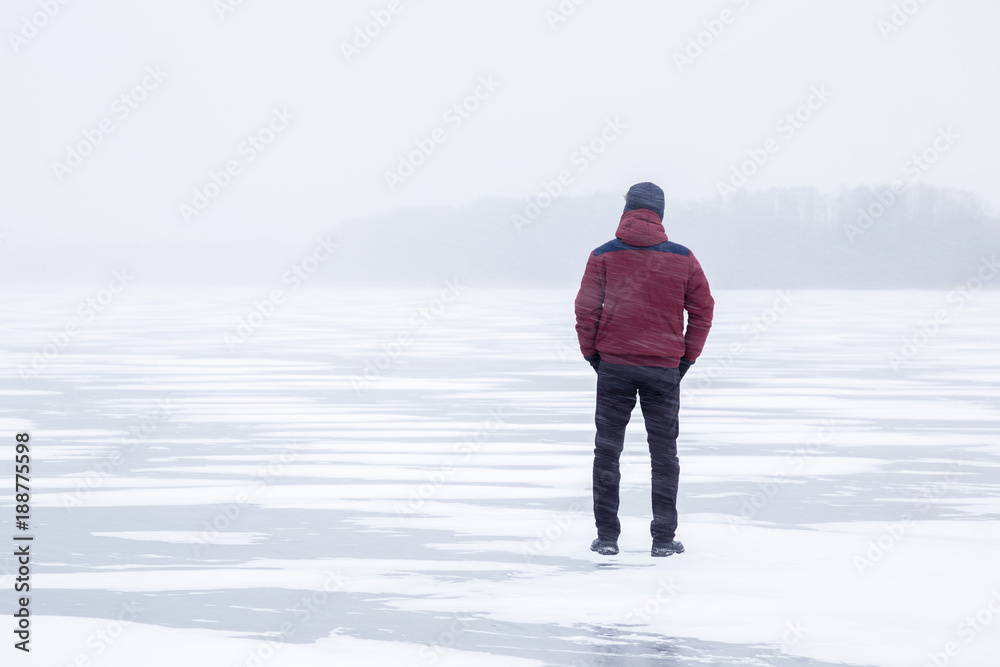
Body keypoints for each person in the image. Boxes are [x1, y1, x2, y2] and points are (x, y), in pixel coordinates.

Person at [574, 182, 714, 558]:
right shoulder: (683, 257)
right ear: (660, 213)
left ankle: (607, 539)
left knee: (607, 452)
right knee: (664, 455)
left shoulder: (602, 255)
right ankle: (663, 541)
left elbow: (586, 310)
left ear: (627, 211)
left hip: (615, 366)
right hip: (663, 370)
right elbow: (703, 311)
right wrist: (685, 358)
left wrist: (594, 356)